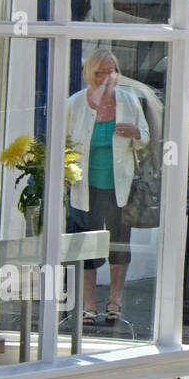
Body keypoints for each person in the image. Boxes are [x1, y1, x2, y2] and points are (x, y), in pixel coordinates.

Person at [65, 49, 150, 325]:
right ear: (90, 73)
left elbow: (146, 138)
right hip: (84, 187)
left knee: (118, 247)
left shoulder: (128, 101)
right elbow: (62, 143)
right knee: (87, 249)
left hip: (119, 187)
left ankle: (115, 301)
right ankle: (89, 305)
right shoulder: (75, 104)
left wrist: (135, 133)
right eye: (101, 72)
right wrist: (64, 173)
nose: (107, 77)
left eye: (112, 71)